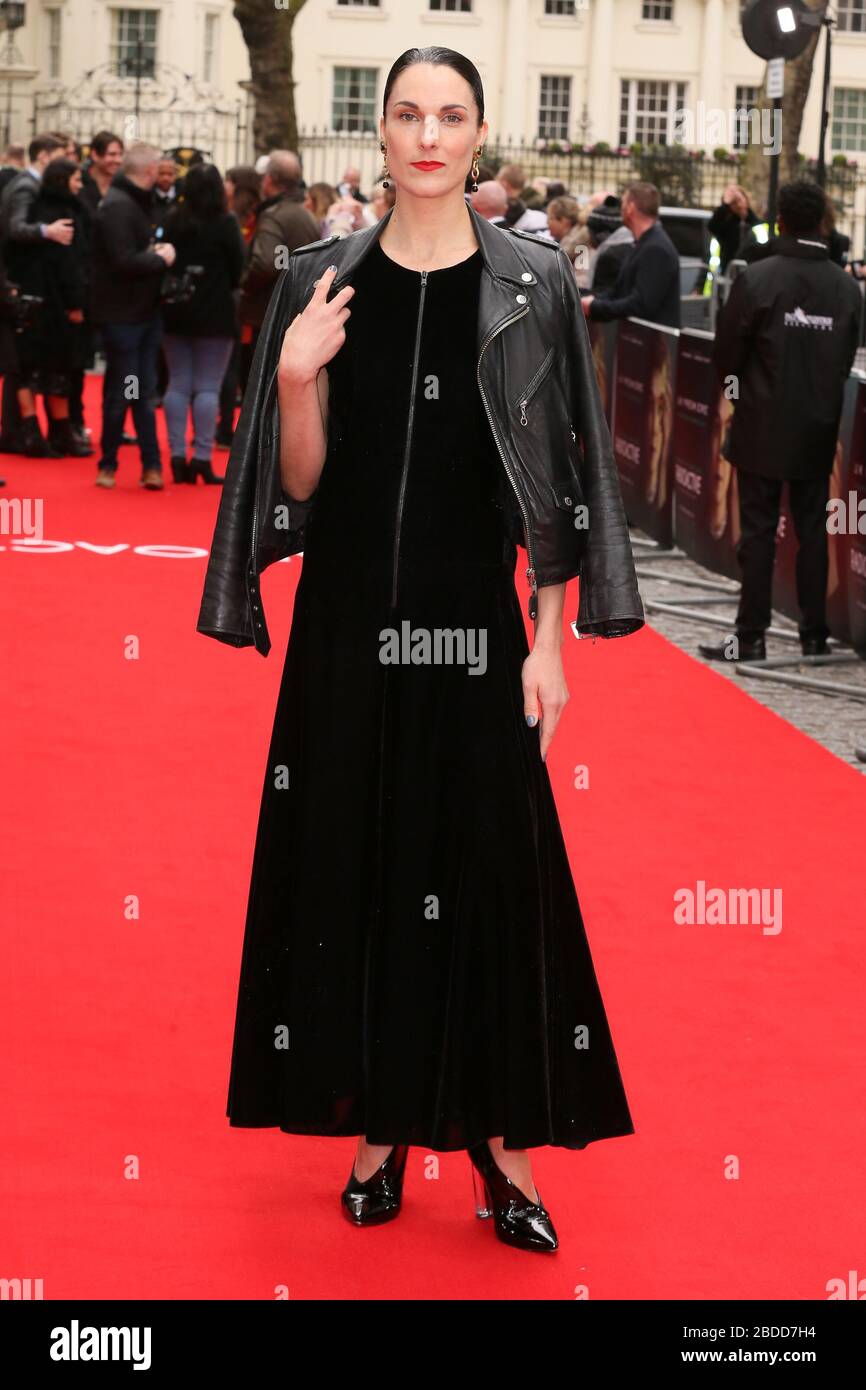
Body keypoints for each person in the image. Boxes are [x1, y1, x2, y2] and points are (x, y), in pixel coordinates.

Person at [198, 45, 643, 1253]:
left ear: (480, 133)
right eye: (406, 114)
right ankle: (380, 1129)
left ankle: (502, 1146)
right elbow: (305, 484)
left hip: (469, 629)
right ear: (380, 137)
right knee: (356, 859)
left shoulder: (531, 282)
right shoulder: (320, 278)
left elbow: (553, 483)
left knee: (490, 870)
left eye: (450, 115)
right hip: (347, 629)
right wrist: (293, 381)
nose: (428, 135)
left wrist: (551, 640)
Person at [700, 180, 862, 663]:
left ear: (783, 221)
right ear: (823, 220)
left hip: (763, 422)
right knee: (813, 530)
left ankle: (751, 635)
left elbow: (726, 352)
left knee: (758, 530)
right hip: (818, 425)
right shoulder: (846, 287)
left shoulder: (758, 277)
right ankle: (814, 634)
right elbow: (845, 353)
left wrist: (739, 385)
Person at [89, 142, 177, 489]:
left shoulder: (136, 203)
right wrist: (161, 259)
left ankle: (147, 465)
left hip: (142, 311)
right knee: (126, 390)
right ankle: (113, 463)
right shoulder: (119, 206)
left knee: (141, 389)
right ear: (150, 171)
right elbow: (122, 260)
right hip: (123, 315)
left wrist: (155, 253)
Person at [161, 163, 245, 484]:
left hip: (177, 311)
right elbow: (238, 267)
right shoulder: (226, 224)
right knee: (208, 386)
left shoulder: (173, 220)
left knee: (178, 384)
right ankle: (202, 456)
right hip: (216, 312)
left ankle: (177, 454)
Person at [11, 157, 93, 457]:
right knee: (59, 367)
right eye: (76, 180)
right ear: (63, 181)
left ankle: (35, 430)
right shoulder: (66, 215)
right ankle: (57, 431)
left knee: (30, 368)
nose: (80, 185)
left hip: (34, 300)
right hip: (57, 304)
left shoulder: (39, 210)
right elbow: (70, 265)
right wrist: (76, 304)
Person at [0, 133, 75, 455]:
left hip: (24, 283)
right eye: (61, 155)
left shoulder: (30, 187)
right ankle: (21, 433)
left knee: (21, 365)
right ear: (44, 156)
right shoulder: (27, 187)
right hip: (22, 285)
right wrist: (48, 231)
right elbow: (14, 229)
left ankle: (25, 432)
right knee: (21, 366)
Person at [238, 150, 319, 352]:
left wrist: (244, 284)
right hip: (296, 311)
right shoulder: (306, 215)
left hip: (268, 315)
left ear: (269, 179)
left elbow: (267, 263)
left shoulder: (274, 216)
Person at [582, 182, 681, 330]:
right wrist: (591, 301)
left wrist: (596, 307)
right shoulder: (643, 242)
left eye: (623, 203)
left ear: (631, 208)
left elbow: (641, 305)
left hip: (652, 344)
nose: (620, 209)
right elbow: (620, 291)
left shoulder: (655, 248)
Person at [708, 183, 758, 273]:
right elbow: (712, 226)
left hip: (751, 272)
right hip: (727, 273)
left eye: (739, 199)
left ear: (745, 199)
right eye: (733, 202)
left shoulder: (755, 222)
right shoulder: (726, 225)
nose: (738, 204)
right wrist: (726, 202)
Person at [79, 131, 124, 216]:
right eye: (112, 154)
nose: (119, 160)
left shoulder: (122, 185)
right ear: (95, 155)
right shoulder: (79, 182)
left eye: (120, 154)